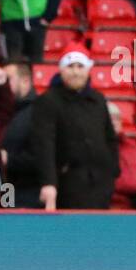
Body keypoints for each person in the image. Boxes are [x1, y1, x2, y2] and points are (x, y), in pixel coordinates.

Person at [31, 45, 119, 210]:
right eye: (70, 66)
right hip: (67, 183)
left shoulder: (98, 100)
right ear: (61, 70)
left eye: (80, 66)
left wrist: (113, 170)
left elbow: (110, 137)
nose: (76, 72)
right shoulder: (48, 101)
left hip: (100, 183)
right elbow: (44, 144)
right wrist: (49, 182)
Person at [0, 61, 40, 208]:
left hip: (29, 193)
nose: (3, 83)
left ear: (25, 81)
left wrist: (8, 159)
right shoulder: (3, 111)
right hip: (5, 190)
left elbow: (42, 156)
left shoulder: (39, 112)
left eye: (8, 78)